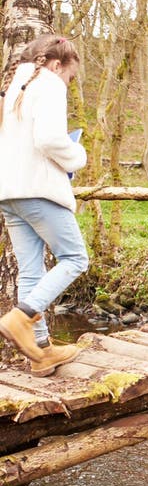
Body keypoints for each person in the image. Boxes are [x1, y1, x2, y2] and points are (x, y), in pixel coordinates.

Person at [0, 33, 88, 376]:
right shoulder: (48, 84)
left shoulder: (12, 90)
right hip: (38, 190)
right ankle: (22, 317)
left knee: (31, 270)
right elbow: (50, 139)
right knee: (75, 258)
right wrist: (76, 155)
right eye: (71, 75)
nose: (68, 81)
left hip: (9, 193)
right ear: (56, 65)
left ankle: (40, 353)